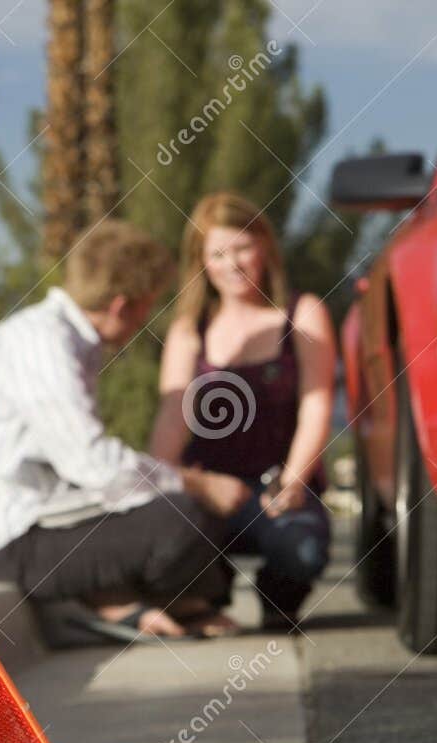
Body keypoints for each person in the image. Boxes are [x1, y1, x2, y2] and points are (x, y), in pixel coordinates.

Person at [0, 220, 251, 643]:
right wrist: (196, 482)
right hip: (1, 544)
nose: (143, 321)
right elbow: (94, 464)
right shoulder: (42, 342)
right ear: (121, 305)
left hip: (33, 525)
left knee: (186, 519)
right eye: (146, 306)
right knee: (184, 519)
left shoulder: (63, 339)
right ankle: (149, 602)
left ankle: (130, 600)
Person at [150, 192, 337, 631]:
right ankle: (209, 592)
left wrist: (292, 483)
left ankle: (280, 596)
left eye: (242, 248)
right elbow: (170, 422)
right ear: (200, 261)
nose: (231, 264)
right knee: (165, 540)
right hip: (209, 490)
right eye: (217, 253)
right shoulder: (187, 331)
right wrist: (170, 487)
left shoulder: (302, 314)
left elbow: (316, 403)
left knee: (302, 549)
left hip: (278, 487)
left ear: (265, 248)